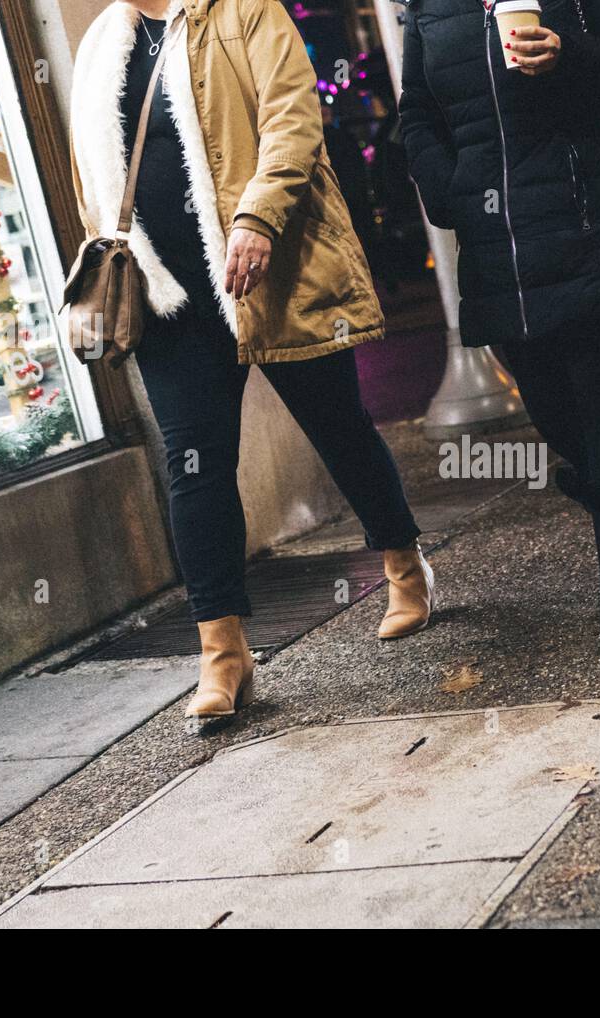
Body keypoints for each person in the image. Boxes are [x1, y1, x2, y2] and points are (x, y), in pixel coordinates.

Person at [69, 0, 436, 730]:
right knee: (195, 466)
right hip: (168, 297)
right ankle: (224, 654)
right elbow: (95, 182)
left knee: (338, 428)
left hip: (268, 273)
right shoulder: (98, 47)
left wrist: (258, 215)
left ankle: (403, 566)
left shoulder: (242, 12)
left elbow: (293, 118)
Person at [400, 0, 600, 661]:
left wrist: (570, 52)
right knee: (556, 420)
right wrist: (451, 189)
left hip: (586, 220)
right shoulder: (429, 9)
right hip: (496, 246)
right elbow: (416, 114)